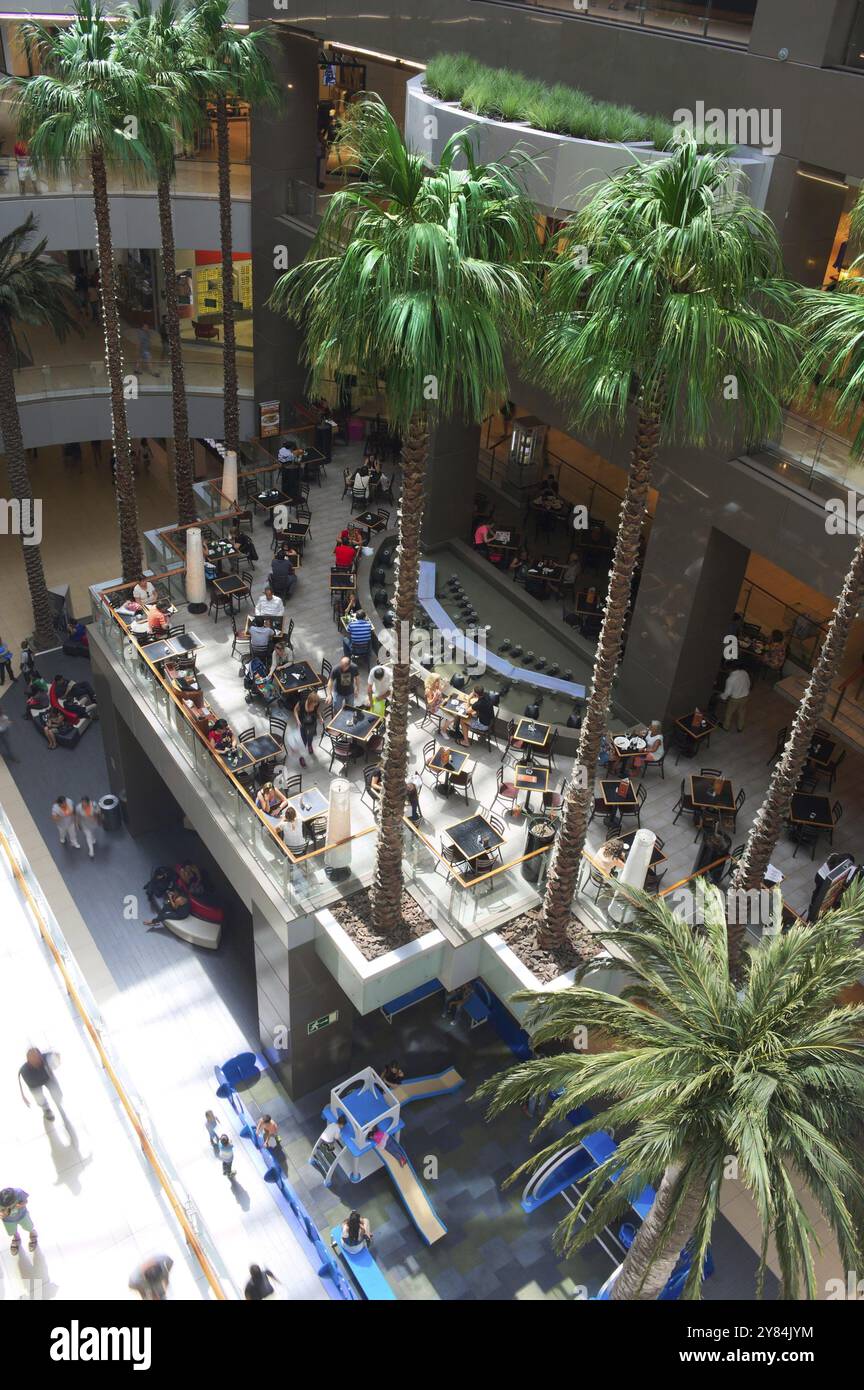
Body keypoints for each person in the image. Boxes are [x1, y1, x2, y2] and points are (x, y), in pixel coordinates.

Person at [18, 1048, 61, 1121]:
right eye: (33, 1059)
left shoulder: (46, 1058)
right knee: (39, 1097)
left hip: (47, 1077)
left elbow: (56, 1057)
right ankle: (46, 1109)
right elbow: (27, 1084)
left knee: (57, 1093)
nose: (36, 1060)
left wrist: (56, 1059)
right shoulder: (24, 1071)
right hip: (35, 1084)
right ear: (29, 1061)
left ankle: (58, 1101)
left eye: (38, 1057)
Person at [0, 1187, 38, 1255]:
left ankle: (32, 1233)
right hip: (8, 1220)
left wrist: (21, 1205)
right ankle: (16, 1237)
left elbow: (26, 1201)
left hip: (22, 1215)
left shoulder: (19, 1192)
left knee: (28, 1226)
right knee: (11, 1231)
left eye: (11, 1205)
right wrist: (2, 1214)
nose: (9, 1208)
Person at [721, 663, 752, 732]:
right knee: (742, 712)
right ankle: (740, 727)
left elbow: (727, 693)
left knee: (729, 713)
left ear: (730, 669)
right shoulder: (744, 672)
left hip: (735, 699)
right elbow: (749, 683)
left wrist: (722, 697)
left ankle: (726, 727)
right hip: (745, 697)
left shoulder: (730, 679)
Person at [294, 691, 320, 764]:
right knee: (303, 741)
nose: (315, 706)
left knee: (310, 737)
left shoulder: (316, 704)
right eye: (313, 704)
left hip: (312, 724)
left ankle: (309, 745)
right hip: (303, 724)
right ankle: (301, 757)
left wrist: (320, 717)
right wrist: (297, 720)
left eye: (316, 704)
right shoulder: (302, 703)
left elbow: (317, 711)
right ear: (309, 701)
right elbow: (295, 710)